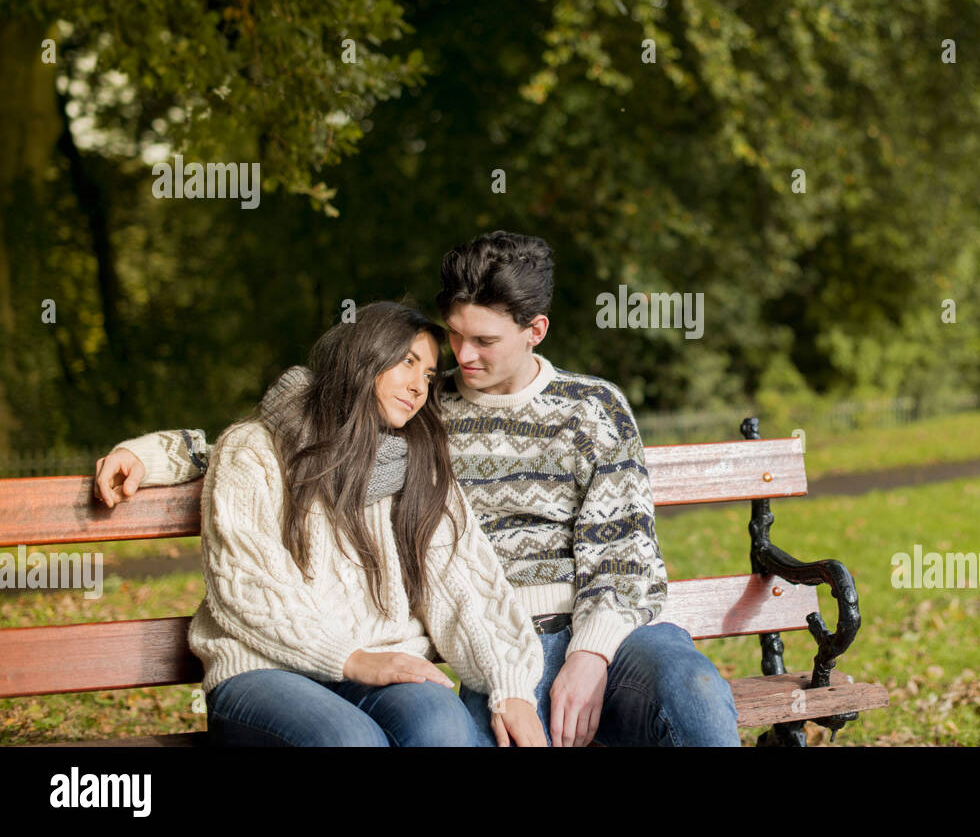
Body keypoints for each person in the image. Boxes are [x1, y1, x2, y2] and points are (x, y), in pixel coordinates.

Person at [96, 232, 741, 747]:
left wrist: (590, 654)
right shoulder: (419, 417)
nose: (460, 358)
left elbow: (624, 557)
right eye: (452, 336)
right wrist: (156, 453)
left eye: (483, 341)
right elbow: (289, 447)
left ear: (535, 331)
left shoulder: (589, 409)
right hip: (485, 643)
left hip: (597, 637)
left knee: (694, 693)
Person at [95, 300, 546, 747]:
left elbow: (460, 584)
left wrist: (510, 685)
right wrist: (352, 659)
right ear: (362, 358)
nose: (418, 386)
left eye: (428, 375)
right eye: (406, 363)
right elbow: (249, 589)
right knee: (350, 740)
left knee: (443, 727)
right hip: (263, 670)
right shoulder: (258, 449)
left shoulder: (419, 467)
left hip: (379, 669)